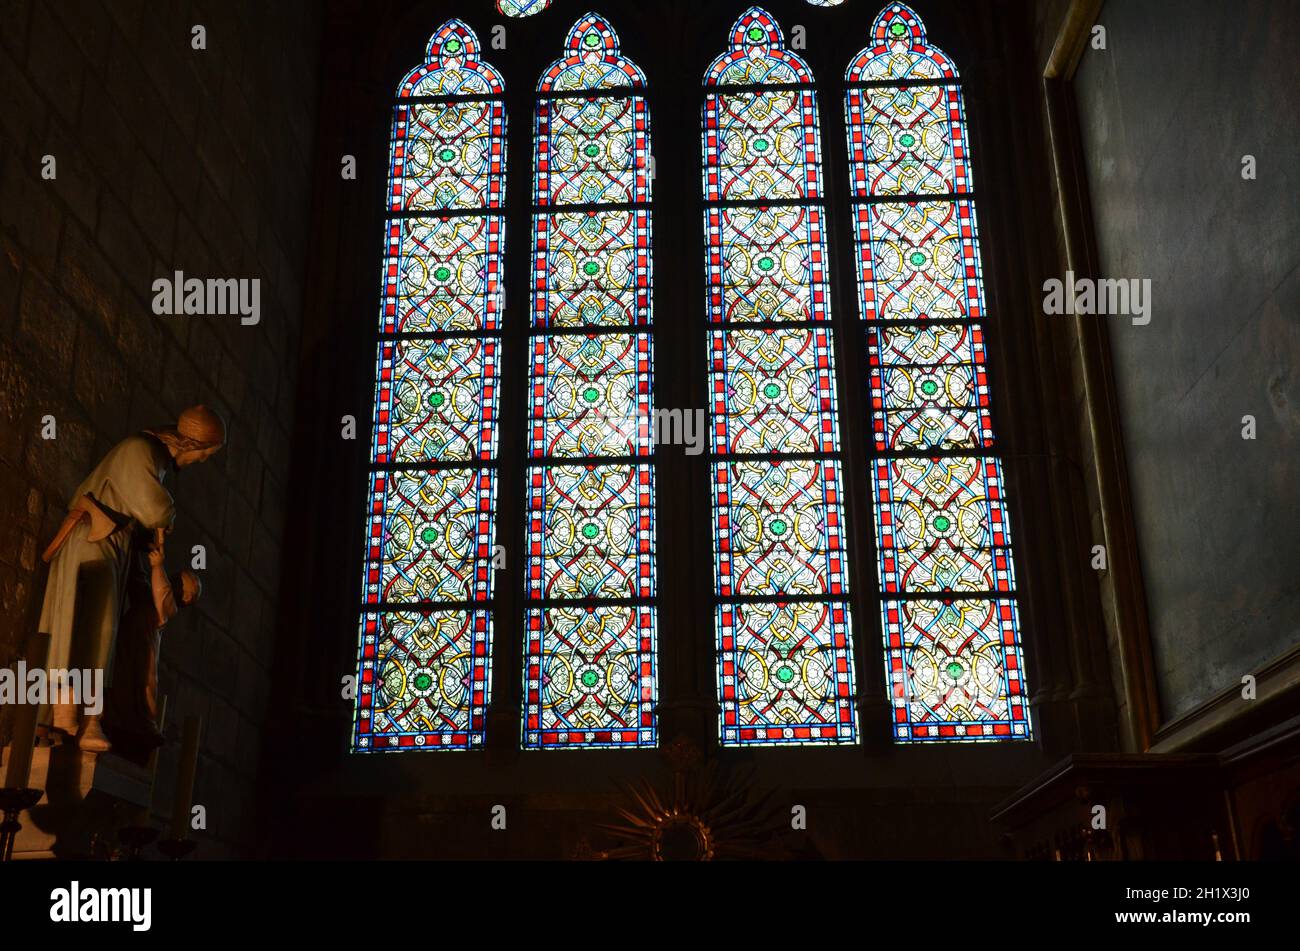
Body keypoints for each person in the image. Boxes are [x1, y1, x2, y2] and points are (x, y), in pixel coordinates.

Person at [38, 405, 225, 752]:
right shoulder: (140, 450)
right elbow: (152, 505)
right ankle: (66, 715)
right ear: (192, 443)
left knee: (102, 632)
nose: (201, 461)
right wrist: (167, 514)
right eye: (205, 454)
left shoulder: (156, 459)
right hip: (92, 539)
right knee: (82, 624)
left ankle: (90, 718)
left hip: (113, 544)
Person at [104, 530, 201, 753]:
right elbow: (139, 582)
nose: (172, 581)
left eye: (178, 583)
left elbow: (163, 593)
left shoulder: (169, 609)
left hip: (141, 652)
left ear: (185, 598)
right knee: (118, 686)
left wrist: (158, 566)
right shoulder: (151, 600)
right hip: (126, 646)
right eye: (175, 578)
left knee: (138, 690)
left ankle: (140, 727)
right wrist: (133, 549)